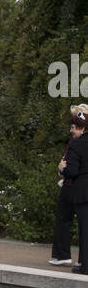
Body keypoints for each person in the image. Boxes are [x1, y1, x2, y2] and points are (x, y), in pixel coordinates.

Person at [51, 108, 88, 271]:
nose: (71, 130)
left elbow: (71, 171)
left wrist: (62, 169)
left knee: (83, 229)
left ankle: (83, 264)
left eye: (74, 127)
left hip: (81, 192)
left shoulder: (77, 145)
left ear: (81, 127)